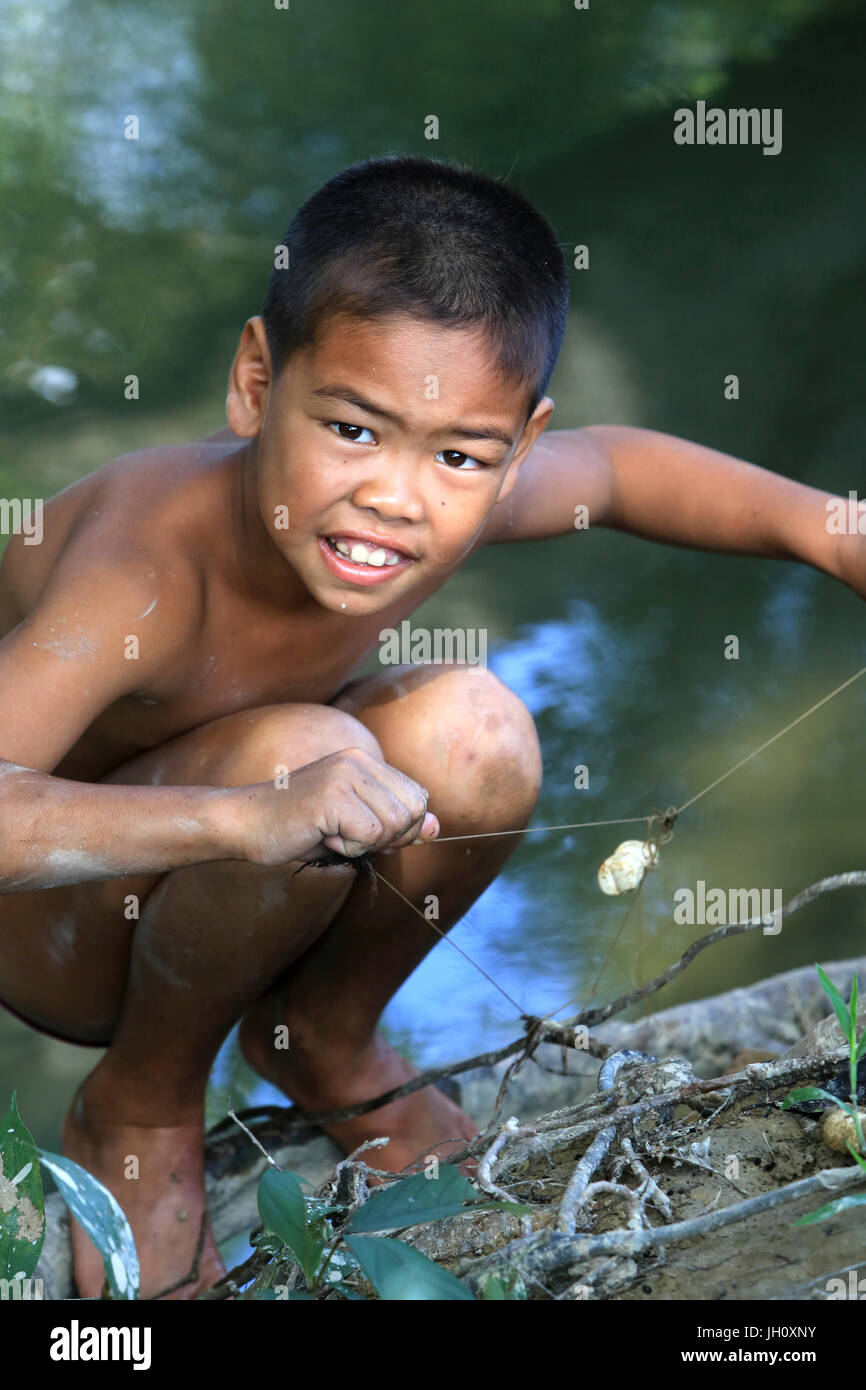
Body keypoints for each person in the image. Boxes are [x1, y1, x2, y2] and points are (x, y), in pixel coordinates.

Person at [0, 156, 860, 1298]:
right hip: (63, 924)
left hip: (254, 863)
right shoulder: (143, 564)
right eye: (353, 429)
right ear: (256, 382)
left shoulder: (429, 493)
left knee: (477, 731)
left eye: (460, 454)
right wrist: (249, 817)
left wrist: (832, 531)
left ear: (512, 442)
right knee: (305, 755)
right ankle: (146, 1096)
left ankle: (325, 1038)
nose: (397, 497)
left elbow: (620, 467)